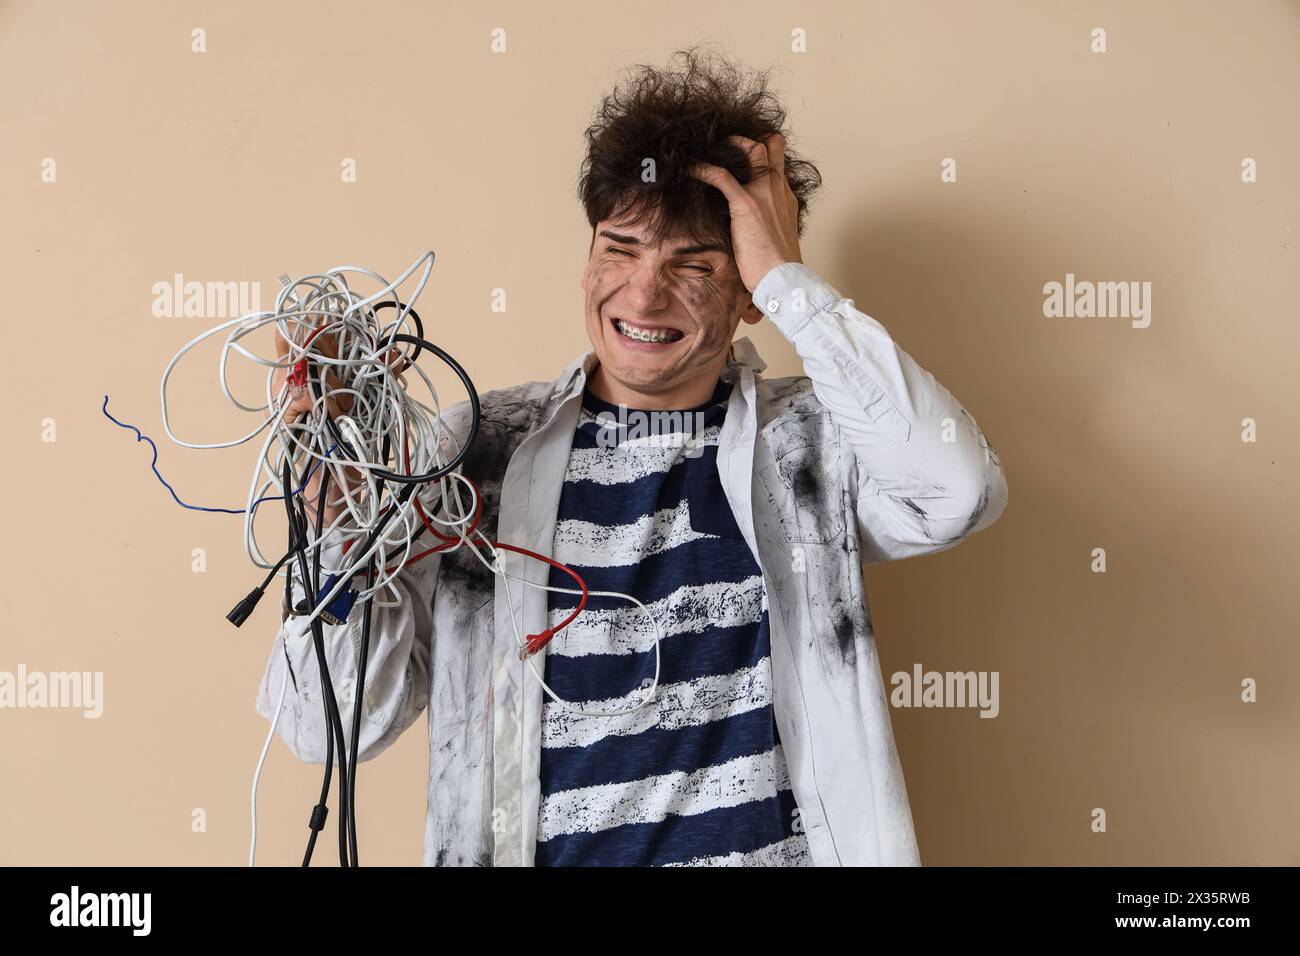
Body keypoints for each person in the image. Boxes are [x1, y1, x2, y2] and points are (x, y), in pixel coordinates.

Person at [257, 46, 1008, 867]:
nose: (645, 294)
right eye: (619, 248)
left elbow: (958, 490)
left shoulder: (813, 445)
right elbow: (327, 727)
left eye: (694, 264)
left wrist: (792, 281)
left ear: (748, 290)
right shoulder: (478, 452)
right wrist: (340, 535)